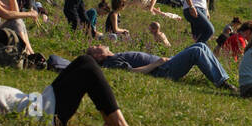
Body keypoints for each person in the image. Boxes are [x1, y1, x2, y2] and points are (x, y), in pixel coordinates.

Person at [0, 47, 145, 126]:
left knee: (83, 64)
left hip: (37, 101)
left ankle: (111, 122)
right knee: (86, 64)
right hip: (41, 113)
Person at [86, 43, 232, 90]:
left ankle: (223, 77)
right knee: (196, 51)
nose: (98, 44)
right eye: (95, 47)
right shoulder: (110, 62)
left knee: (200, 45)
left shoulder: (114, 56)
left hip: (165, 64)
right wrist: (157, 63)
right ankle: (222, 83)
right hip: (162, 70)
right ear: (98, 56)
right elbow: (131, 72)